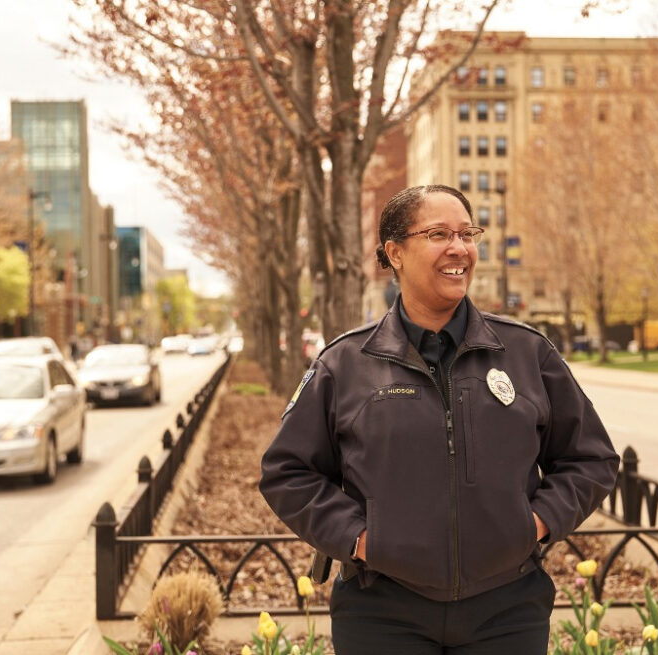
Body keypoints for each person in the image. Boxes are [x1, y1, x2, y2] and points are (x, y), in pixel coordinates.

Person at [259, 184, 619, 654]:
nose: (459, 248)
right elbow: (287, 473)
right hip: (382, 611)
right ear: (395, 254)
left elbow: (591, 459)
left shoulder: (528, 352)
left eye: (467, 233)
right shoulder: (345, 363)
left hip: (507, 609)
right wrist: (362, 540)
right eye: (438, 234)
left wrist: (532, 525)